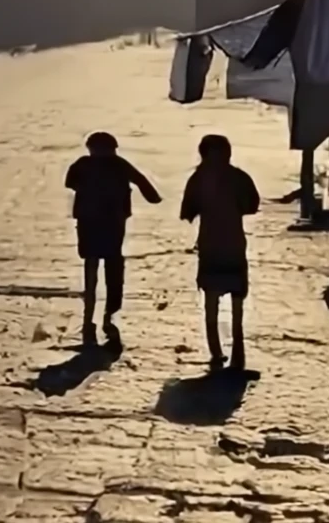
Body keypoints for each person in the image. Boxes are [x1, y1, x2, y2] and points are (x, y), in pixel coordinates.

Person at [65, 131, 162, 347]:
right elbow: (141, 181)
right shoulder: (118, 164)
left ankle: (94, 314)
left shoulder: (84, 164)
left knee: (95, 266)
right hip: (110, 223)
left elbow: (70, 182)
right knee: (110, 265)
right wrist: (152, 197)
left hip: (94, 222)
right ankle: (105, 313)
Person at [180, 134, 260, 372]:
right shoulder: (238, 177)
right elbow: (252, 205)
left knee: (212, 301)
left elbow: (187, 212)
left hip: (211, 245)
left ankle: (217, 352)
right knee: (236, 303)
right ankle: (235, 350)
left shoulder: (198, 178)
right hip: (233, 244)